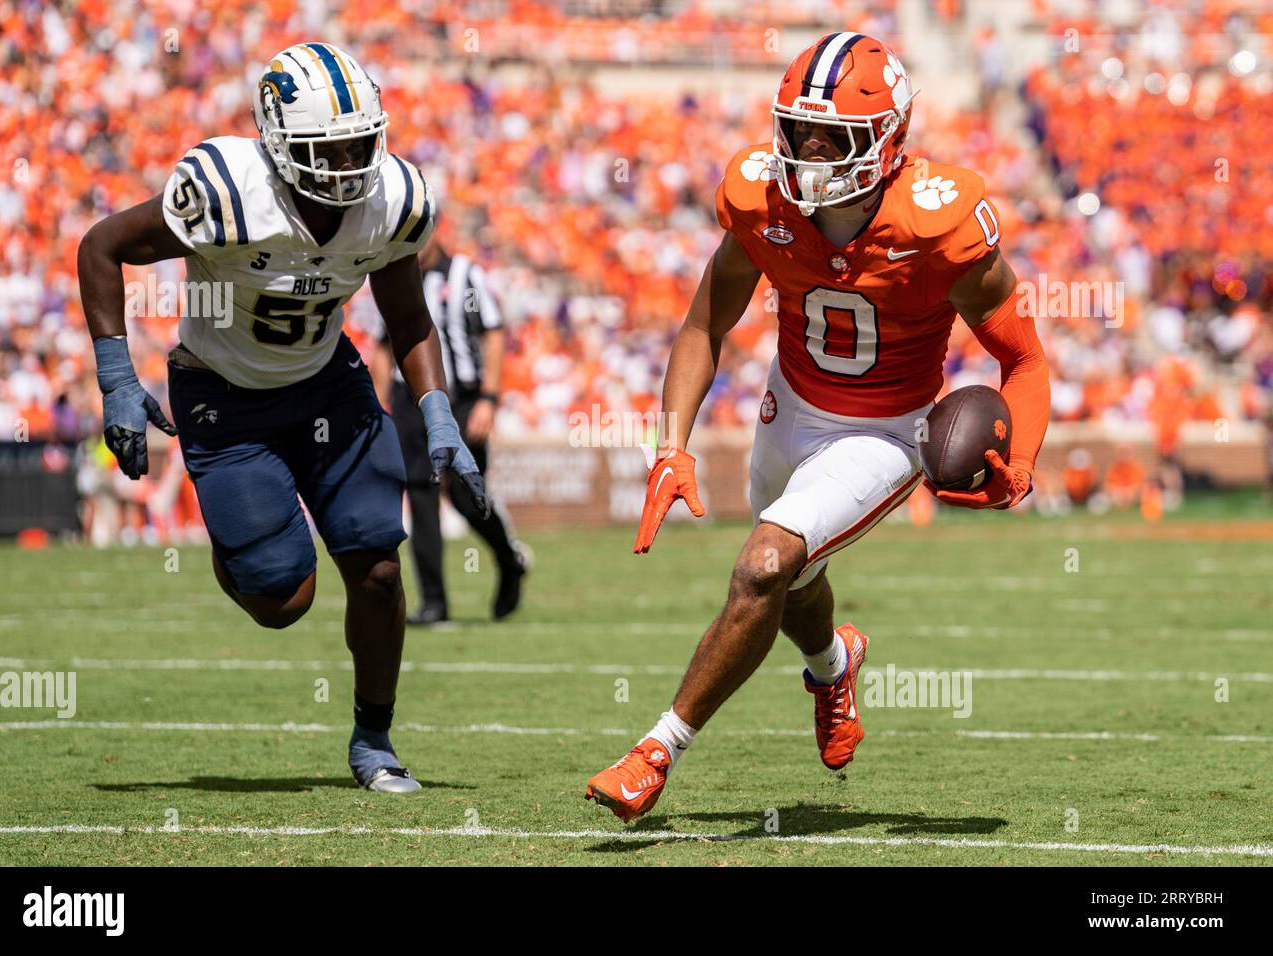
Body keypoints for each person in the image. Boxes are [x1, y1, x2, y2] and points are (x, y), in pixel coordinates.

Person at [585, 33, 1051, 822]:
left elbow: (1026, 361)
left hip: (889, 428)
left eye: (832, 137)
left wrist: (1024, 460)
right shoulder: (760, 199)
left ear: (889, 140)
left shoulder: (936, 224)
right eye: (799, 132)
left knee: (765, 565)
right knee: (793, 578)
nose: (809, 151)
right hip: (788, 403)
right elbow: (705, 321)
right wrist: (672, 444)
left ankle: (658, 749)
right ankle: (834, 667)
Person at [77, 43, 487, 793]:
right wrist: (115, 379)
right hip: (223, 395)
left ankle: (374, 740)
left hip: (328, 386)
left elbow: (406, 312)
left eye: (360, 142)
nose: (347, 163)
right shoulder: (228, 191)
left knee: (378, 571)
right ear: (276, 141)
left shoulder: (393, 198)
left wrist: (438, 413)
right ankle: (244, 550)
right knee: (282, 599)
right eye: (326, 148)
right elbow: (101, 245)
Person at [372, 237, 528, 624]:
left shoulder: (465, 274)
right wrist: (378, 404)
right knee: (420, 496)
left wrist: (489, 399)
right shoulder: (394, 274)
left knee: (466, 494)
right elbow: (381, 343)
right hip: (410, 400)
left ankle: (508, 560)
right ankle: (434, 603)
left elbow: (492, 332)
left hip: (461, 398)